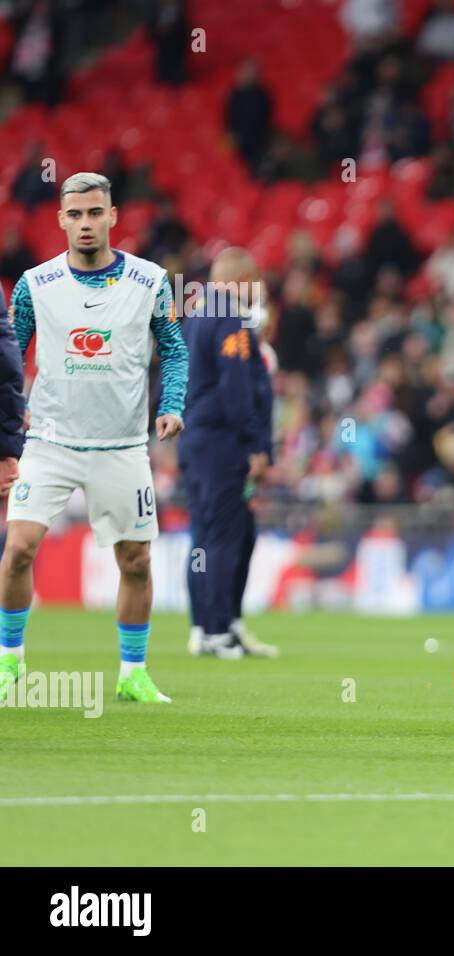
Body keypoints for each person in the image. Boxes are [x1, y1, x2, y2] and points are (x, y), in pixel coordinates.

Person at [0, 172, 188, 704]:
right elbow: (9, 357)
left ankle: (133, 672)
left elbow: (173, 350)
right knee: (17, 551)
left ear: (113, 216)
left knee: (136, 561)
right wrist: (11, 426)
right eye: (75, 214)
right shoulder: (35, 284)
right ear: (60, 219)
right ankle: (9, 663)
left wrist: (172, 405)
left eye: (95, 213)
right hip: (50, 442)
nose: (86, 223)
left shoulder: (150, 280)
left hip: (122, 446)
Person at [180, 247, 277, 659]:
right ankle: (219, 632)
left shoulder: (194, 315)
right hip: (223, 442)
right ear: (242, 279)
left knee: (206, 537)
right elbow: (236, 387)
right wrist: (254, 442)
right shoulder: (229, 317)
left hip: (197, 439)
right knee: (223, 538)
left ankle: (208, 626)